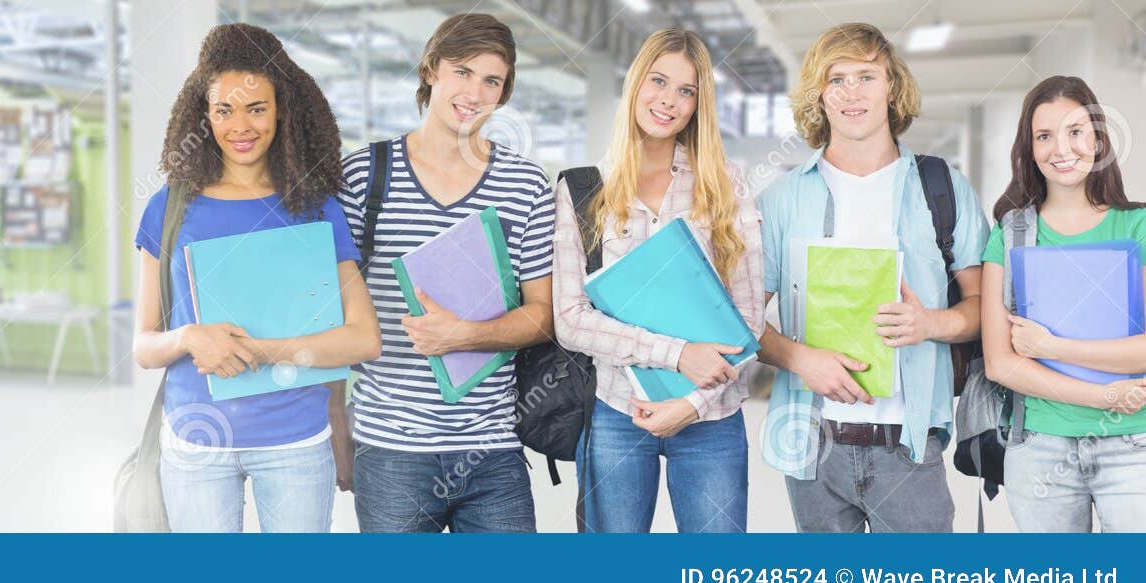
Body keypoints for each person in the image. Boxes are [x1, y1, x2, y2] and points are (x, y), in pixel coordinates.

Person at [131, 23, 380, 533]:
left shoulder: (315, 207)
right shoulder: (169, 207)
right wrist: (187, 337)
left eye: (256, 108)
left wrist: (259, 351)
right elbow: (143, 346)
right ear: (205, 115)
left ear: (281, 109)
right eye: (224, 110)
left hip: (295, 442)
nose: (240, 125)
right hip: (196, 443)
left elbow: (365, 338)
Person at [754, 23, 989, 532]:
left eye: (867, 76)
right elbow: (740, 319)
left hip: (910, 446)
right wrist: (800, 359)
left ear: (892, 87)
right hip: (813, 445)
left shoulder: (942, 187)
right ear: (820, 95)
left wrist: (930, 324)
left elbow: (984, 309)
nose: (851, 92)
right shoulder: (781, 201)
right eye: (836, 79)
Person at [337, 13, 555, 532]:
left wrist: (466, 335)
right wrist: (334, 432)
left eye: (492, 81)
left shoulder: (526, 186)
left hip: (492, 449)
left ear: (503, 95)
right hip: (389, 448)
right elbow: (335, 314)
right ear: (432, 70)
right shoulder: (363, 176)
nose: (474, 92)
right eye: (462, 71)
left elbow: (544, 317)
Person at [552, 28, 763, 533]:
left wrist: (690, 402)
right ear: (634, 85)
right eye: (658, 81)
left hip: (710, 417)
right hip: (615, 414)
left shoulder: (725, 184)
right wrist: (676, 354)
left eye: (686, 91)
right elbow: (569, 321)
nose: (668, 101)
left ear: (698, 105)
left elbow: (748, 317)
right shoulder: (582, 190)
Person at [979, 75, 1146, 532]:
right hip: (1040, 448)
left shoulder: (1138, 227)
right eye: (1044, 136)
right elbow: (1000, 363)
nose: (1061, 149)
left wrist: (1053, 348)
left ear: (1098, 137)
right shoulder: (1010, 234)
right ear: (1029, 149)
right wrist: (1103, 394)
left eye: (1075, 131)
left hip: (1133, 444)